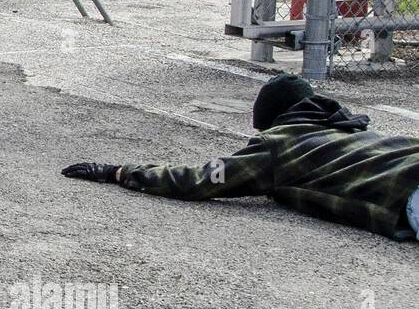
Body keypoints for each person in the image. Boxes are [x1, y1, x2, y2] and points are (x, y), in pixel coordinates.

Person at [62, 73, 419, 241]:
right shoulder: (351, 127)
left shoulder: (279, 145)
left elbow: (201, 179)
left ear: (272, 122)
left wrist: (119, 172)